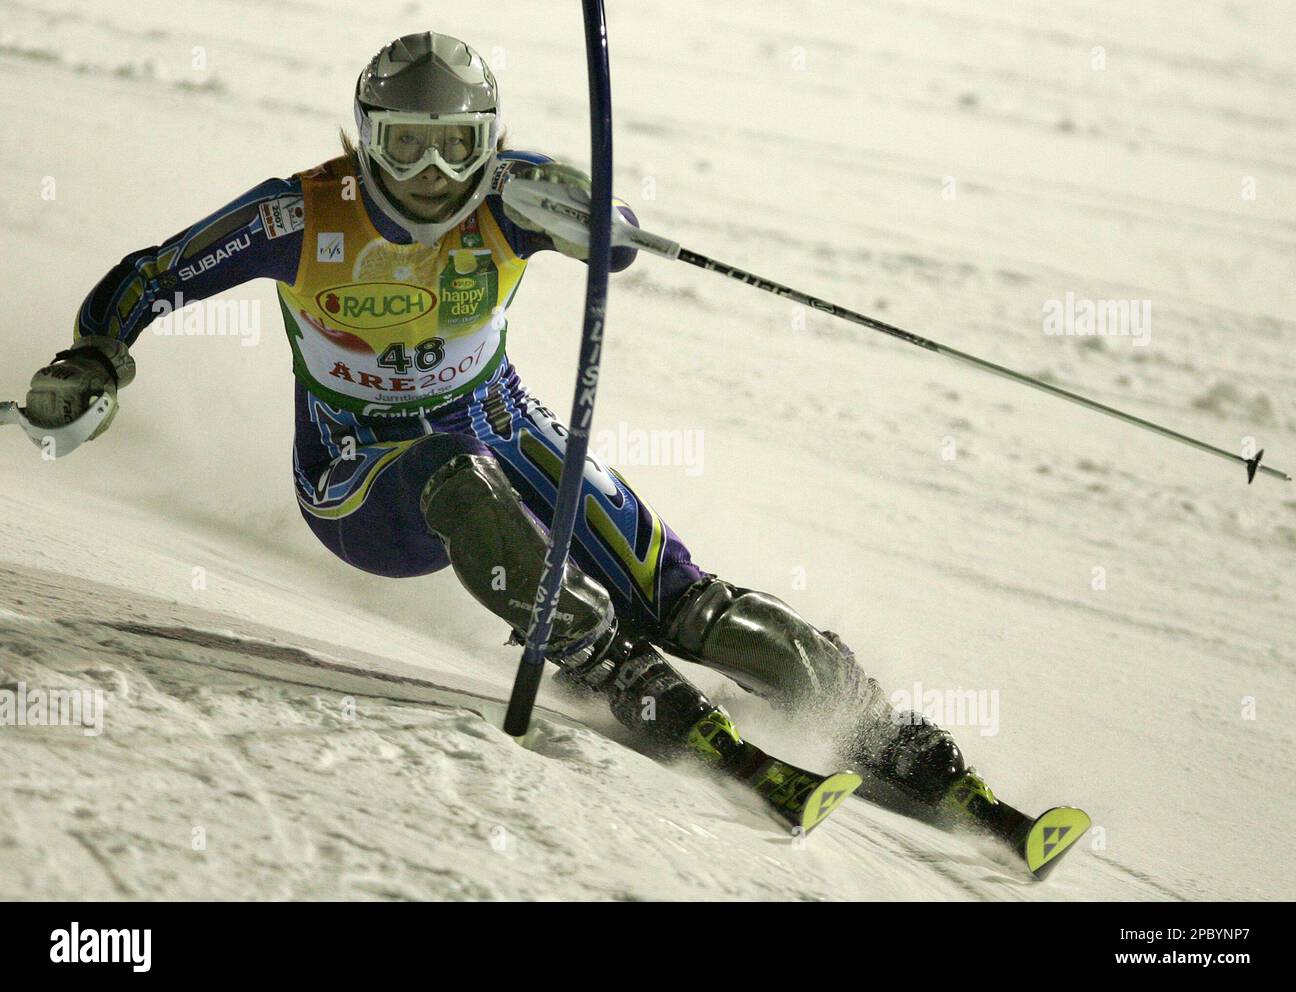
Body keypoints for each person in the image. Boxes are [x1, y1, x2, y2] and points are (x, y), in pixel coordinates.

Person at [24, 31, 970, 811]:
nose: (433, 175)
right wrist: (94, 359)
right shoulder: (301, 216)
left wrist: (599, 220)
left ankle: (863, 714)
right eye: (405, 147)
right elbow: (152, 275)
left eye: (457, 148)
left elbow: (618, 241)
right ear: (364, 140)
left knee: (682, 595)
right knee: (452, 473)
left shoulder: (510, 196)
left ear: (490, 142)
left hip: (504, 425)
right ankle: (606, 664)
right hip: (363, 479)